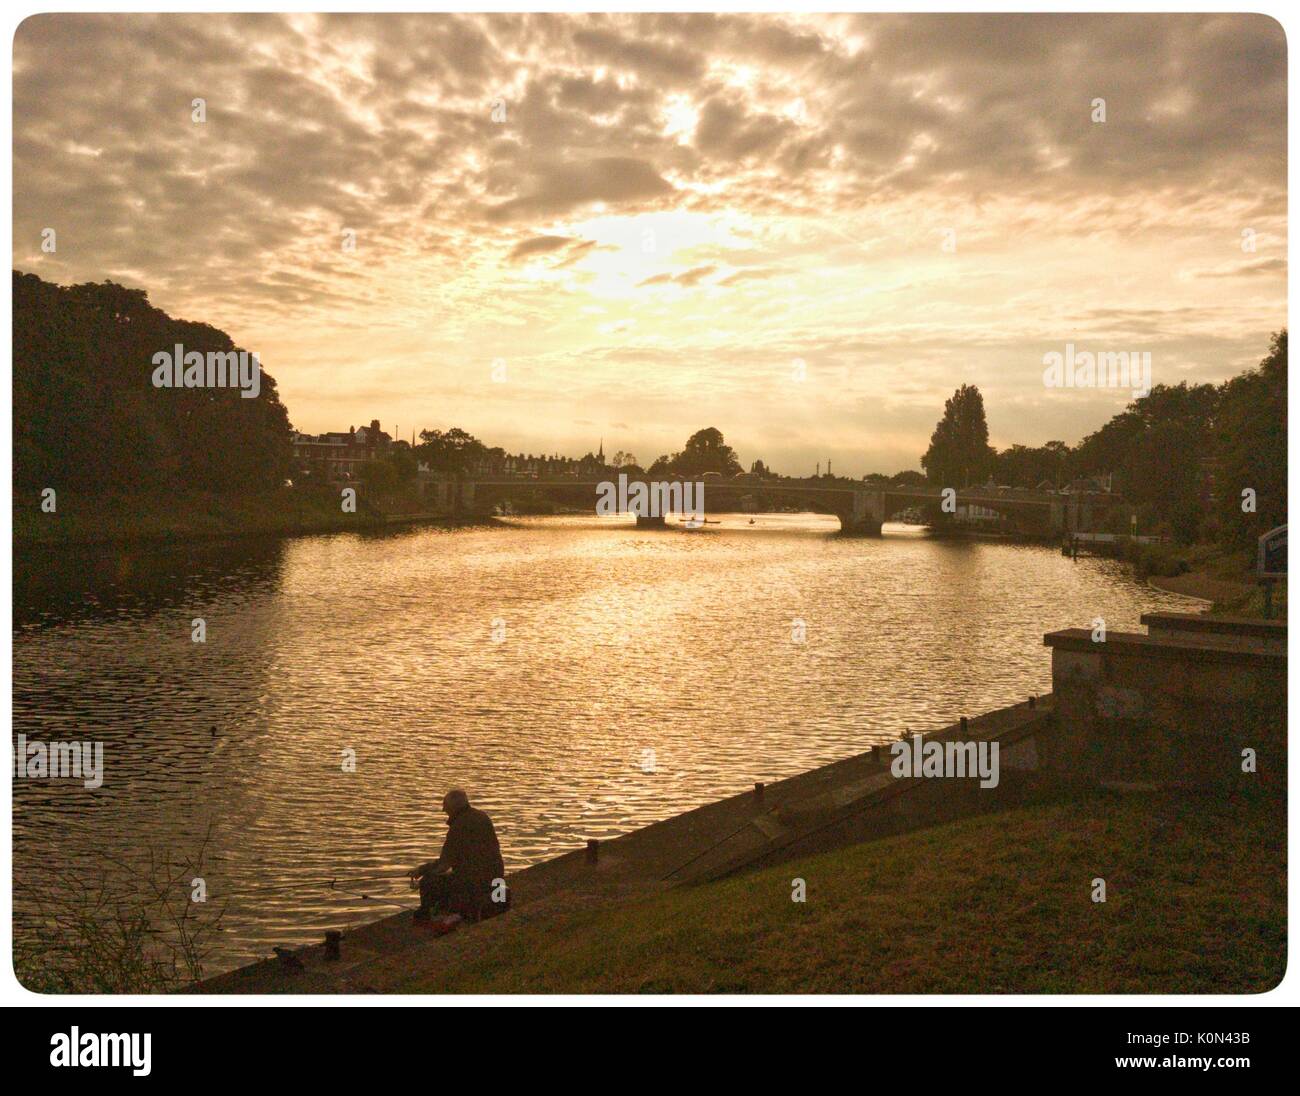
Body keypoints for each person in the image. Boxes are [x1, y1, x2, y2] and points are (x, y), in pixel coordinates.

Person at [408, 788, 507, 922]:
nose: (443, 810)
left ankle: (429, 916)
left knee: (429, 881)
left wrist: (421, 872)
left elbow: (444, 864)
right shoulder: (482, 816)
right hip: (496, 873)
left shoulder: (459, 827)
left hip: (477, 879)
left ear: (452, 808)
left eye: (445, 806)